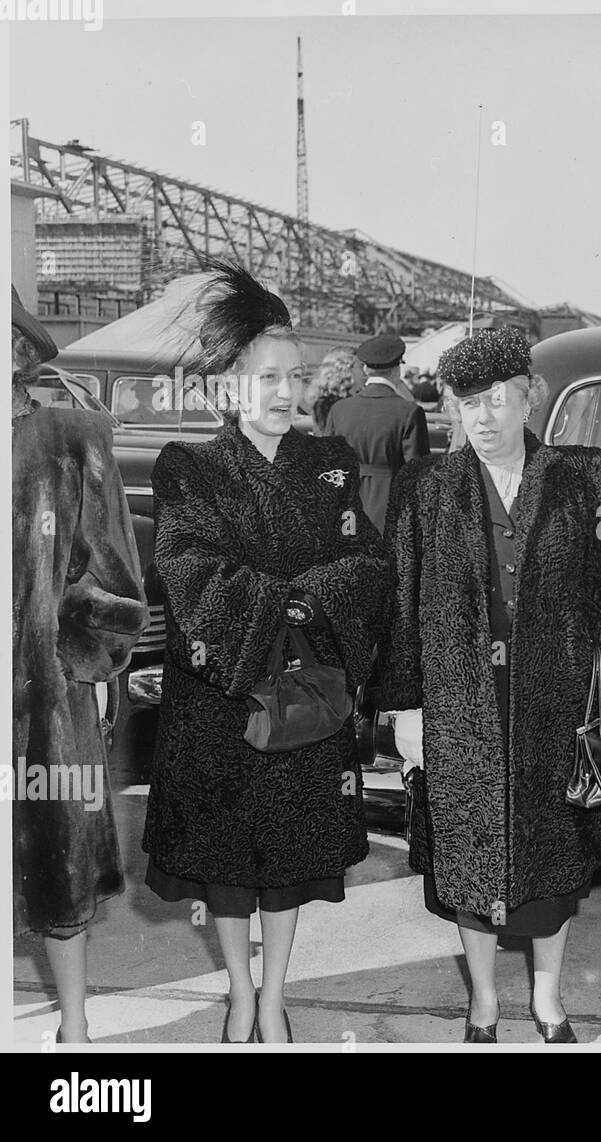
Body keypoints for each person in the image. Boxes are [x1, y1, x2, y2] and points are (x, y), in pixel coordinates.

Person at [141, 259, 391, 1044]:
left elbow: (367, 562)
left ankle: (274, 995)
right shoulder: (190, 467)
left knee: (287, 861)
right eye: (269, 378)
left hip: (303, 698)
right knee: (225, 867)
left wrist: (310, 598)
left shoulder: (330, 464)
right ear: (230, 387)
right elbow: (187, 567)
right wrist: (286, 600)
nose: (287, 392)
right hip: (220, 699)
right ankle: (240, 993)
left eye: (296, 377)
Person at [380, 326, 601, 1044]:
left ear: (529, 398)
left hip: (556, 699)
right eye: (469, 403)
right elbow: (399, 603)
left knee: (554, 861)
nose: (485, 416)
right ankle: (485, 1001)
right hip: (460, 699)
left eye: (498, 399)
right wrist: (404, 708)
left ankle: (548, 1000)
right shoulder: (424, 488)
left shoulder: (588, 477)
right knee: (469, 855)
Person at [11, 288, 151, 1044]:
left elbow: (117, 580)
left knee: (56, 867)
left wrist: (74, 661)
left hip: (44, 698)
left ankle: (74, 1029)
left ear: (17, 352)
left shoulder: (69, 440)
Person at [325, 333, 430, 533]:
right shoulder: (409, 412)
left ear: (365, 369)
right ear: (397, 369)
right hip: (390, 508)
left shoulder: (339, 410)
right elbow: (417, 471)